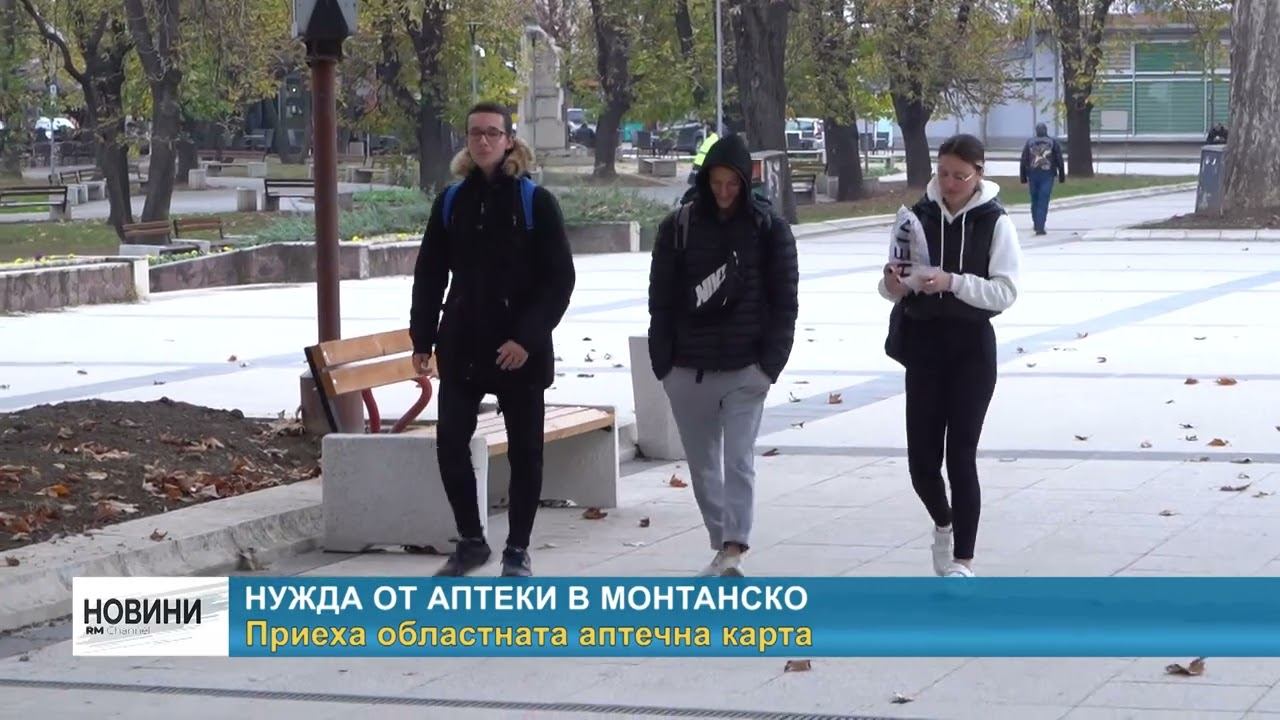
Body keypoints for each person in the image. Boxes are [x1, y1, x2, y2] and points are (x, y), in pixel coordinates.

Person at [409, 101, 576, 577]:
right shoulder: (451, 201)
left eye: (492, 133)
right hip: (463, 344)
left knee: (526, 453)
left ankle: (517, 550)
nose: (482, 140)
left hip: (518, 352)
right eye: (475, 133)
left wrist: (526, 338)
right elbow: (430, 274)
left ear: (509, 140)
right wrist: (422, 338)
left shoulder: (534, 202)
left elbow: (559, 280)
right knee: (449, 444)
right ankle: (471, 541)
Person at [647, 133, 799, 577]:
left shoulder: (769, 229)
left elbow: (785, 302)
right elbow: (660, 299)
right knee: (702, 467)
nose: (724, 192)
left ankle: (735, 547)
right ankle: (721, 542)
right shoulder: (678, 227)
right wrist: (663, 363)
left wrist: (769, 365)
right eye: (716, 183)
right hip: (686, 367)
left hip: (745, 368)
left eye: (732, 183)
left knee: (738, 461)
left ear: (746, 182)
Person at [878, 134, 1022, 578]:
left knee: (961, 456)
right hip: (923, 347)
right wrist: (893, 284)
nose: (950, 183)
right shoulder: (916, 216)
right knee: (922, 463)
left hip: (971, 350)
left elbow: (1005, 291)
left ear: (979, 174)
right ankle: (943, 522)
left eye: (960, 175)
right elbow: (892, 282)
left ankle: (964, 559)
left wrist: (953, 282)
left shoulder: (995, 222)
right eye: (943, 173)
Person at [1018, 122, 1065, 236]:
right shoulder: (1052, 142)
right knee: (1043, 200)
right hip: (1047, 174)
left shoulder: (1030, 142)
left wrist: (1023, 177)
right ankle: (1040, 226)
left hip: (1032, 174)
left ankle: (1036, 222)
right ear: (1046, 130)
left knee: (1034, 199)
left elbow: (1024, 160)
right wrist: (1061, 175)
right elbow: (1059, 159)